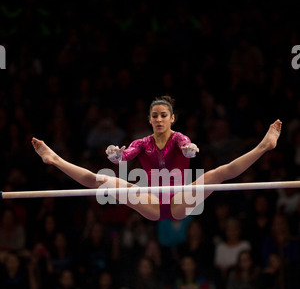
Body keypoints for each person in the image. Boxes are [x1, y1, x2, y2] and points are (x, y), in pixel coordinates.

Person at [31, 95, 282, 222]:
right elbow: (125, 156)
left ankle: (263, 146)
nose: (159, 119)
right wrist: (117, 155)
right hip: (151, 202)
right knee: (102, 181)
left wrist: (189, 150)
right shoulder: (143, 143)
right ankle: (55, 160)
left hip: (180, 200)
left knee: (218, 173)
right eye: (155, 115)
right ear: (149, 119)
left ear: (172, 118)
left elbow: (186, 146)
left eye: (164, 115)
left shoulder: (179, 138)